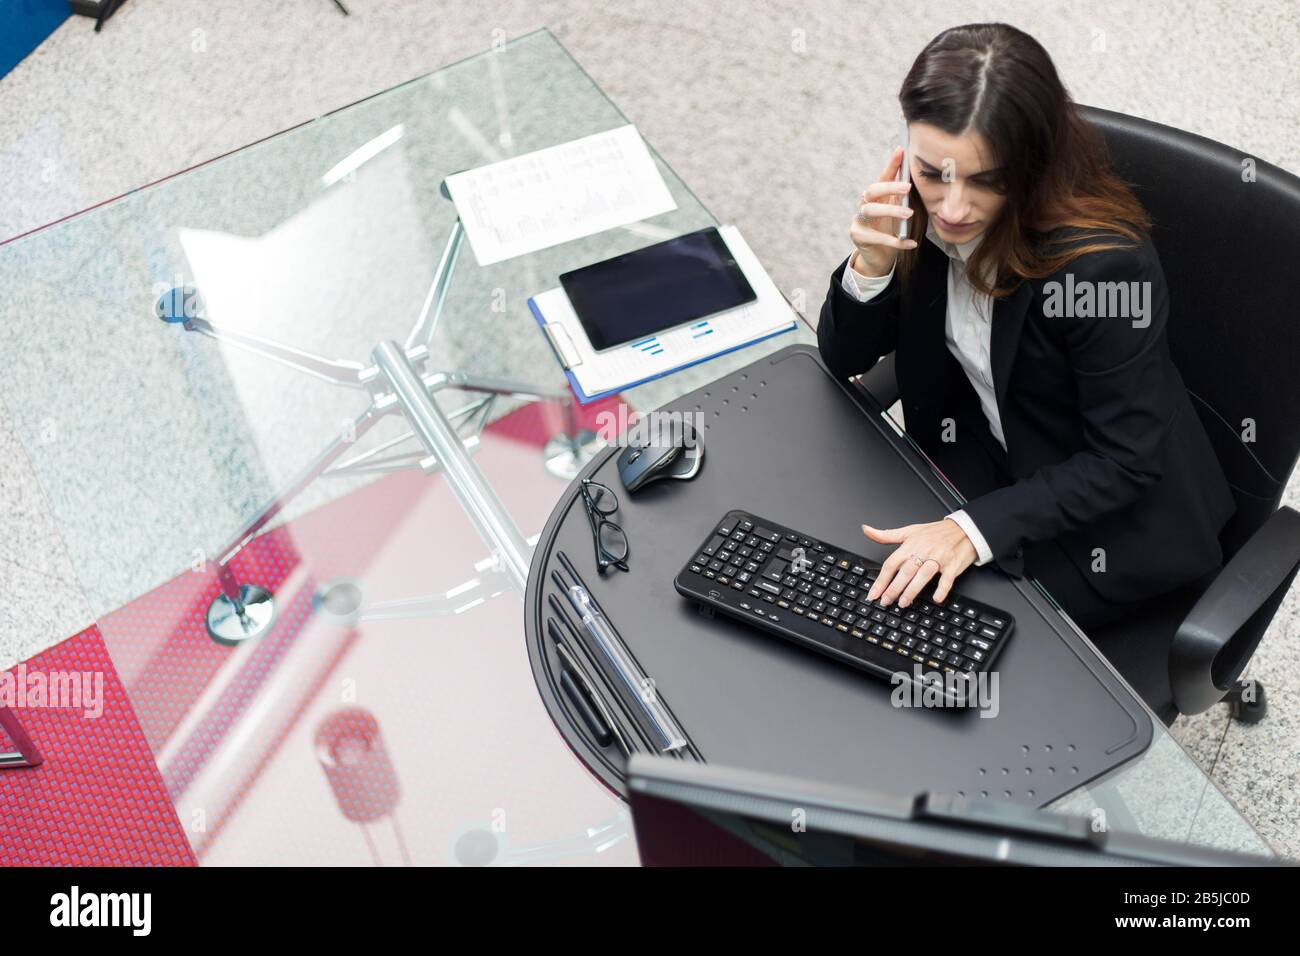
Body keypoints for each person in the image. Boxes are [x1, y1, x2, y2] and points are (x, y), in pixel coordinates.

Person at [818, 22, 1235, 631]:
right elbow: (843, 356)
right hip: (982, 464)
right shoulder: (913, 203)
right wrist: (871, 267)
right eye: (933, 172)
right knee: (843, 583)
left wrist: (971, 531)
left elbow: (1124, 462)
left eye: (986, 180)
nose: (952, 209)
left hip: (1105, 527)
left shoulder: (1104, 267)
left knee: (932, 643)